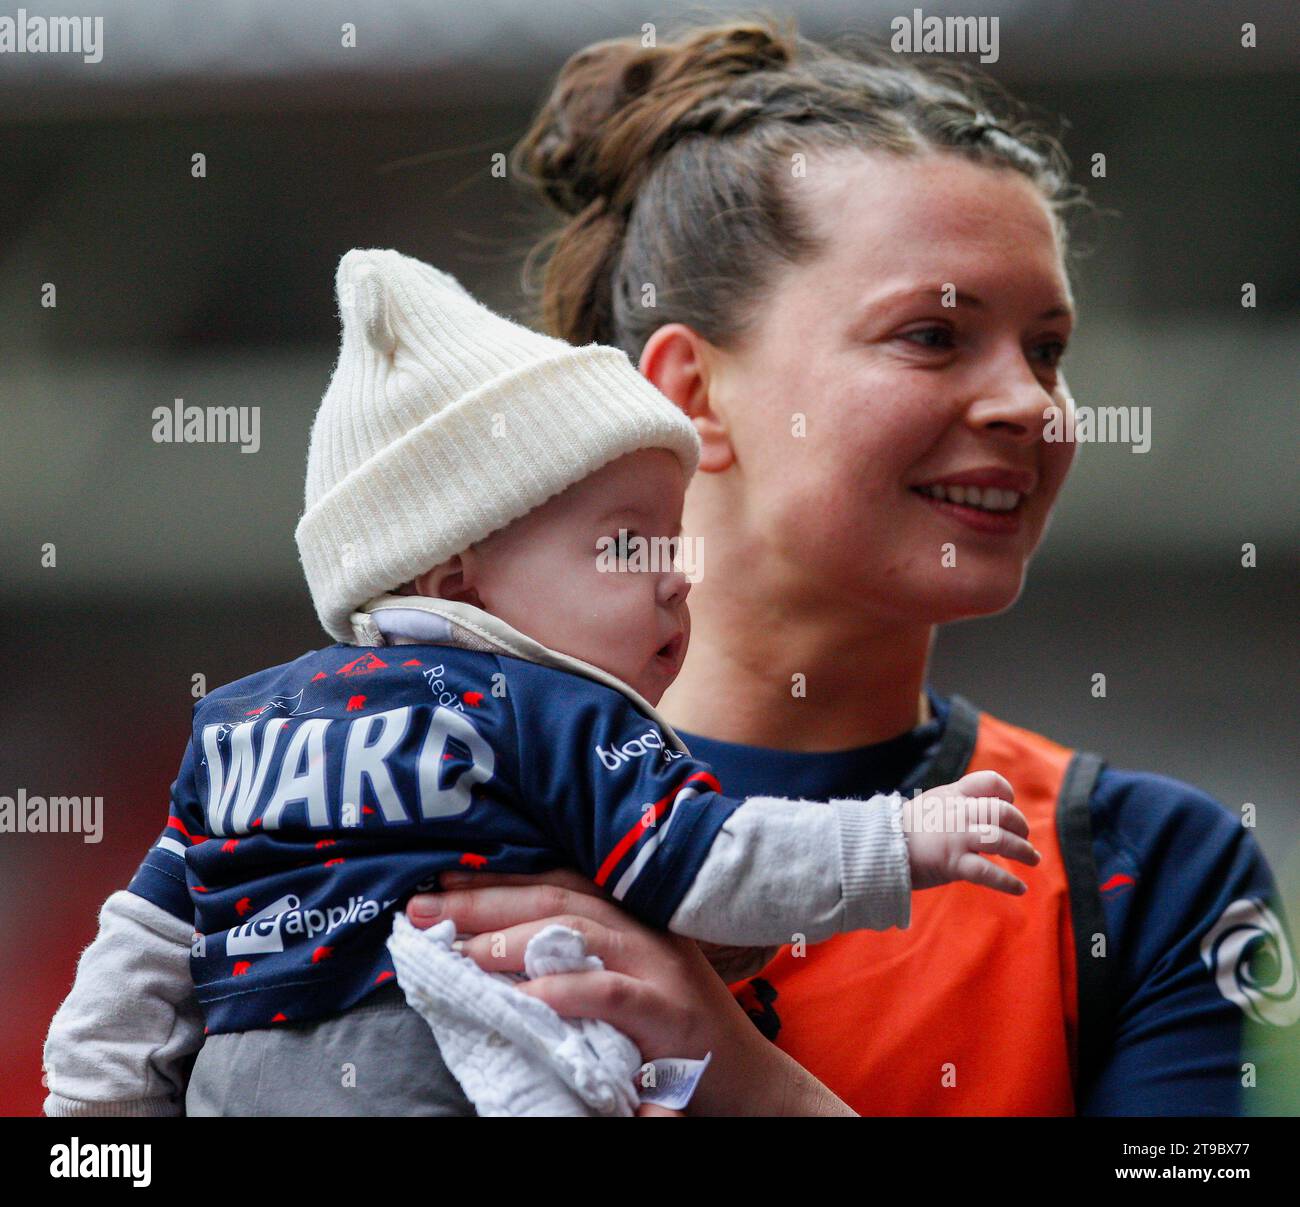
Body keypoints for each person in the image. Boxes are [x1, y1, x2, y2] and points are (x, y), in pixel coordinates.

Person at [395, 16, 1298, 1116]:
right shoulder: (388, 790)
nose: (1028, 402)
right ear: (690, 395)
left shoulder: (1145, 866)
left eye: (1047, 349)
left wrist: (741, 1080)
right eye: (932, 335)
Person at [39, 247, 1036, 1118]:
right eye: (624, 542)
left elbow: (135, 967)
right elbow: (714, 867)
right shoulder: (551, 710)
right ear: (452, 573)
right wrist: (899, 839)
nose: (677, 572)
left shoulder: (237, 722)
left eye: (673, 537)